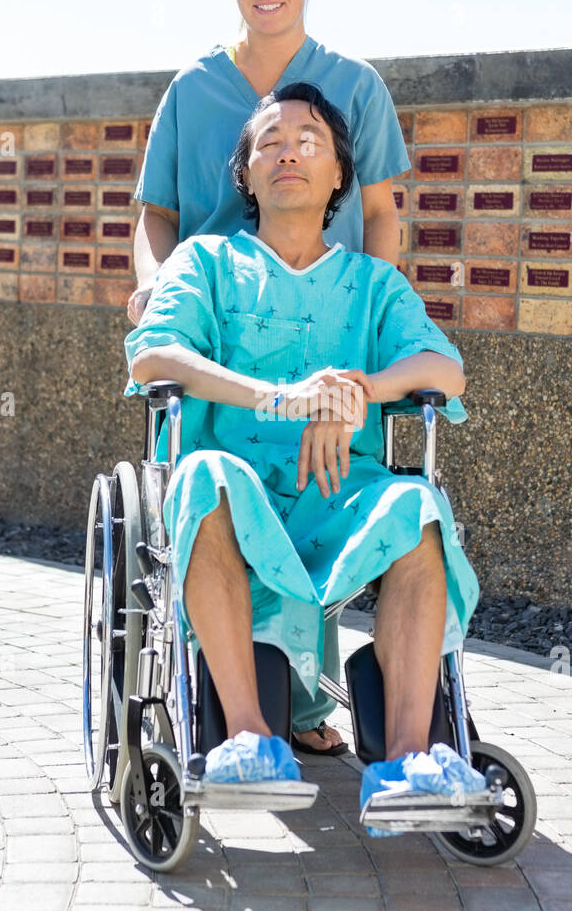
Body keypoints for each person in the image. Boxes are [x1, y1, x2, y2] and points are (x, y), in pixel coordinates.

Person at [124, 84, 484, 829]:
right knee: (206, 476)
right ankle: (251, 740)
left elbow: (442, 371)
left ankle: (406, 763)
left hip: (338, 495)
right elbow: (153, 354)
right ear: (247, 178)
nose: (288, 150)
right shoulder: (207, 261)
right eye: (268, 142)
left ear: (339, 178)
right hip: (234, 490)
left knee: (414, 504)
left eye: (309, 139)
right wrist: (279, 399)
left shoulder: (370, 284)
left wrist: (357, 388)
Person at [127, 0, 410, 759]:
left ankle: (300, 706)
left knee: (321, 483)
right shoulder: (193, 88)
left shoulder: (354, 86)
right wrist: (151, 289)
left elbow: (379, 214)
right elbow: (156, 214)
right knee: (229, 477)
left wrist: (383, 318)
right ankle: (244, 703)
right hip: (219, 322)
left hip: (329, 318)